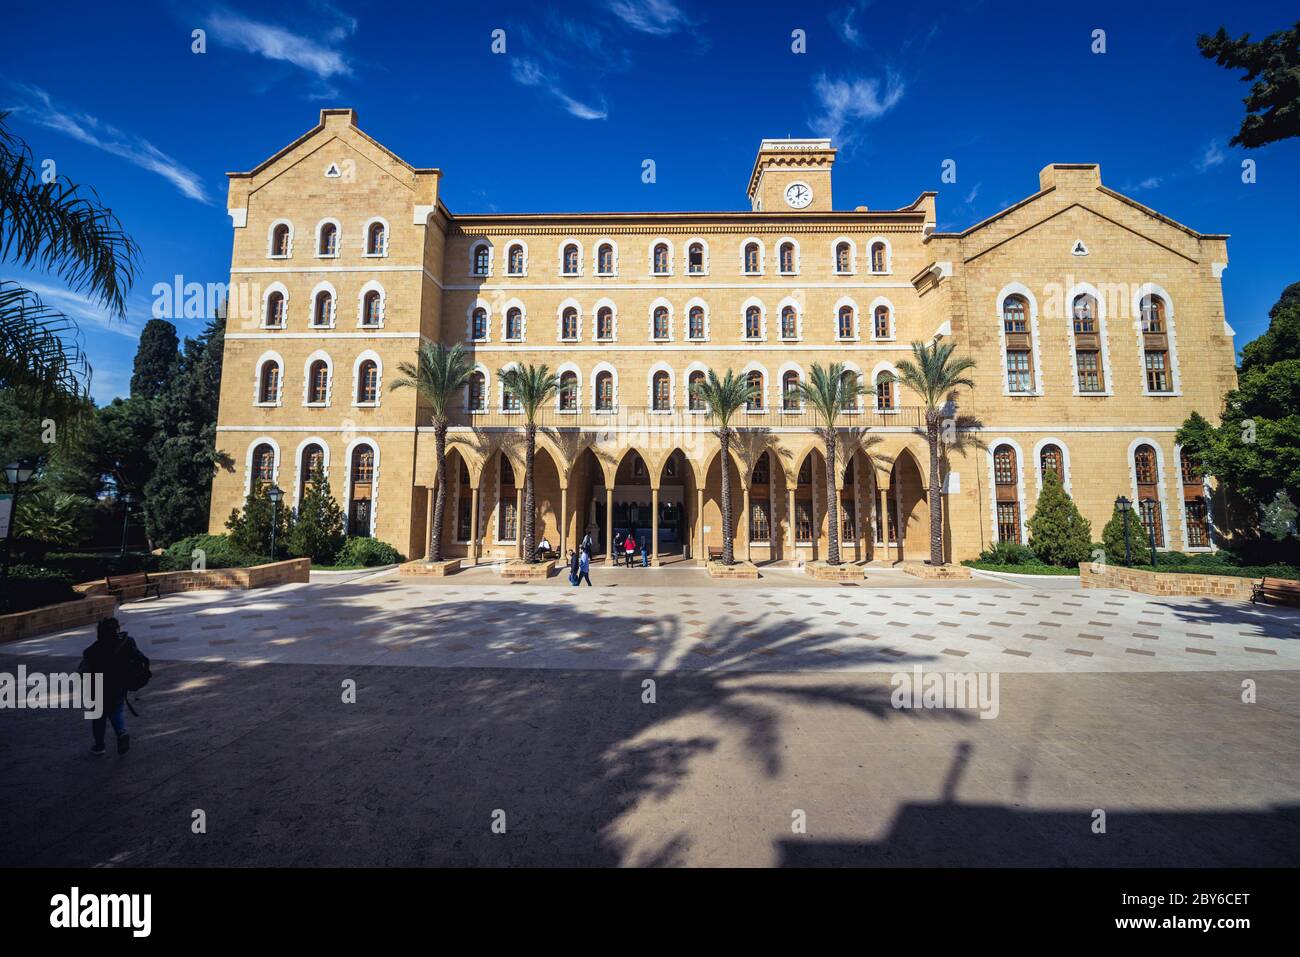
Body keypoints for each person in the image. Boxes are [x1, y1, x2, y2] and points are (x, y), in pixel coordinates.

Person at [78, 617, 140, 756]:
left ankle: (99, 746)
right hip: (119, 683)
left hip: (98, 687)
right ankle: (121, 732)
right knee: (116, 710)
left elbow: (82, 672)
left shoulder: (92, 651)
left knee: (98, 716)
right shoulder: (126, 642)